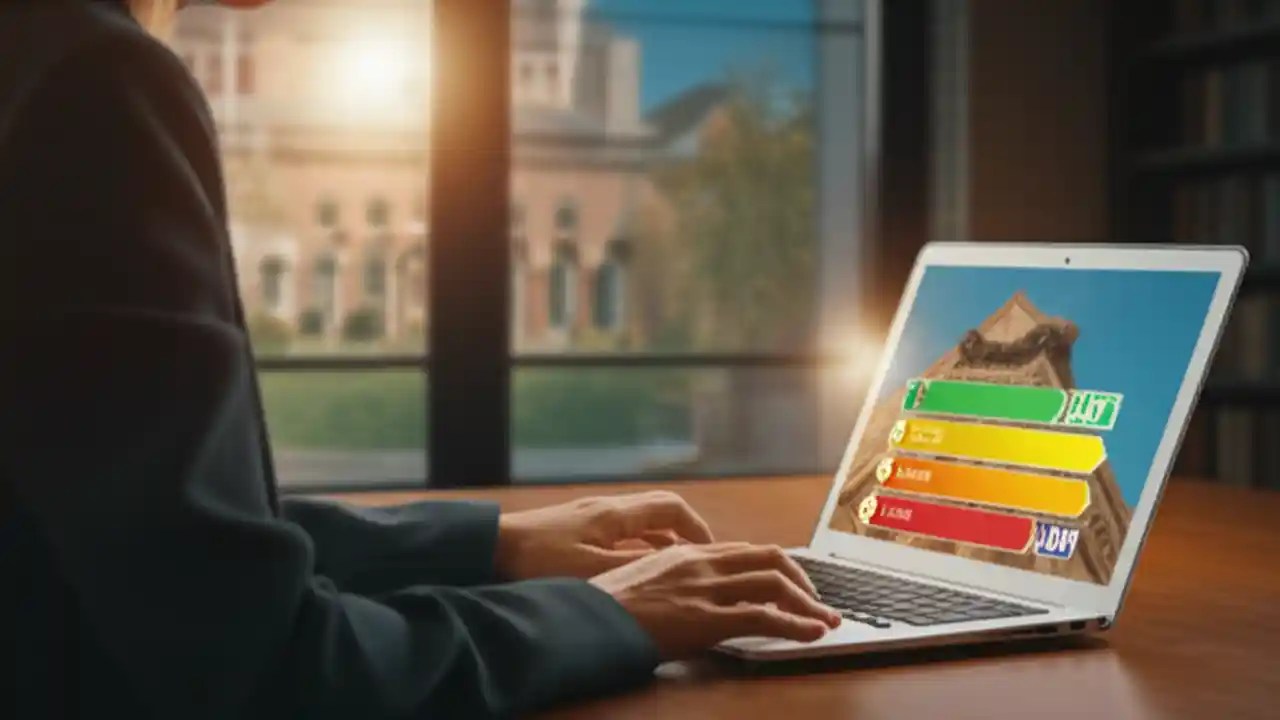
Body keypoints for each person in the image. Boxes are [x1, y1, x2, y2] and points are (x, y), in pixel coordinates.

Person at [0, 1, 842, 717]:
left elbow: (153, 541)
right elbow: (262, 665)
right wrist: (603, 614)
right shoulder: (92, 85)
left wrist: (493, 544)